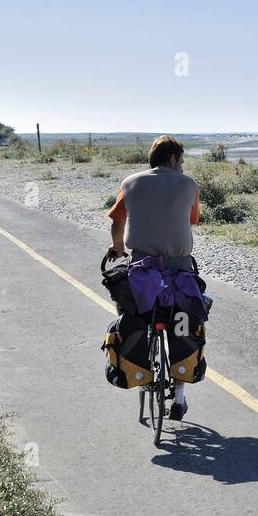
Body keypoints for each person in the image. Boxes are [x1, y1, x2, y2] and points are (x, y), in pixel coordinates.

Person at [107, 135, 201, 419]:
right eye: (181, 161)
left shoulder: (130, 182)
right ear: (173, 159)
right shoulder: (188, 185)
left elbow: (116, 220)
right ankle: (180, 397)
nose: (183, 167)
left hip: (141, 269)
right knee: (185, 322)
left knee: (127, 305)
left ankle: (140, 366)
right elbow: (191, 220)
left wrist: (117, 248)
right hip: (179, 268)